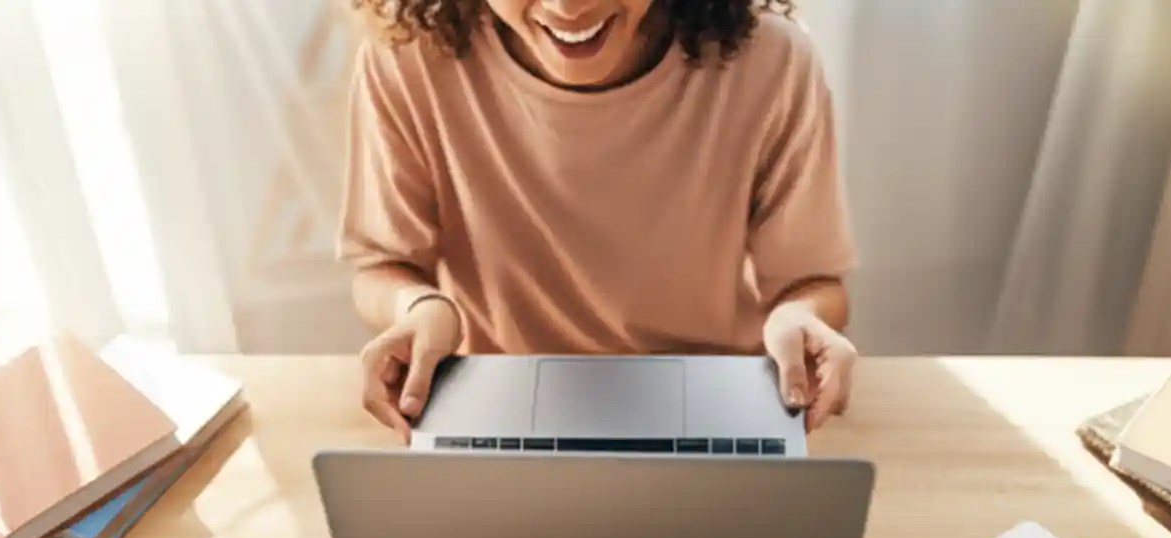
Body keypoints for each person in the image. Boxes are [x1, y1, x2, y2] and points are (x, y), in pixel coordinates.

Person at [339, 0, 858, 443]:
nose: (568, 7)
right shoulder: (408, 61)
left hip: (710, 402)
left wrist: (797, 318)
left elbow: (809, 283)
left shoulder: (772, 60)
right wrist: (420, 308)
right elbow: (386, 265)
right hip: (504, 404)